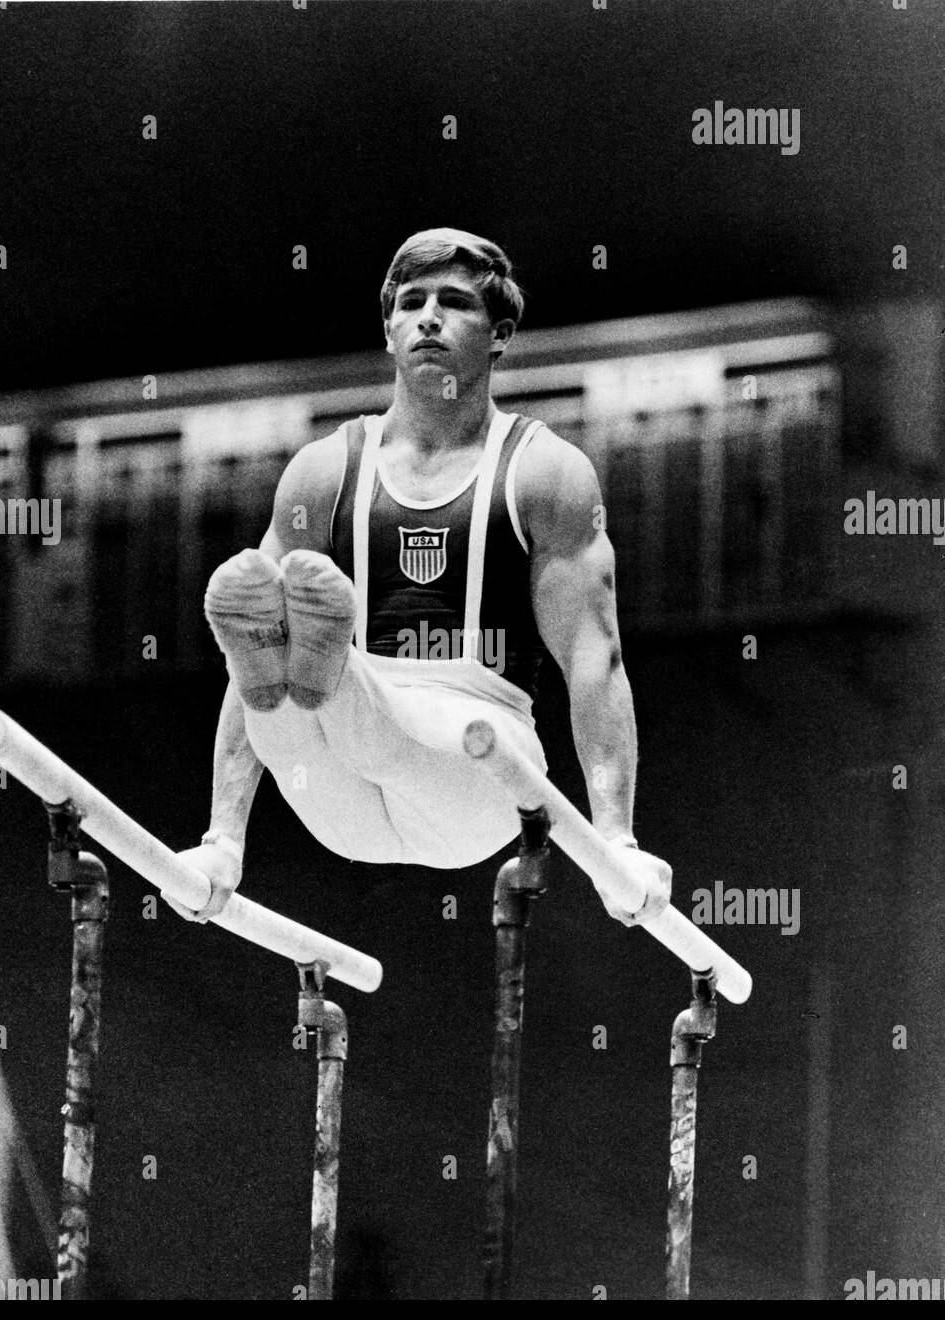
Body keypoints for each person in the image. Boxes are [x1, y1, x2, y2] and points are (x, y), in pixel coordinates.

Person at [164, 229, 671, 927]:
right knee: (278, 701)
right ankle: (322, 669)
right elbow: (247, 664)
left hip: (480, 765)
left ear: (500, 333)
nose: (428, 316)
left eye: (455, 302)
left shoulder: (543, 472)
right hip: (344, 804)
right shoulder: (323, 472)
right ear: (388, 327)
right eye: (411, 301)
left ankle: (330, 665)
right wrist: (222, 842)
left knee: (347, 697)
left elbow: (595, 658)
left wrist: (617, 840)